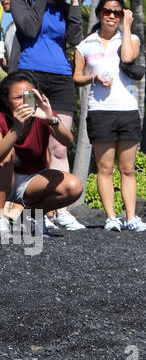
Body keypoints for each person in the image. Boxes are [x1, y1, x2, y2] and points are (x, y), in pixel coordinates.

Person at [9, 0, 86, 232]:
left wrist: (74, 0)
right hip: (30, 76)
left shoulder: (65, 6)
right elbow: (29, 28)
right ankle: (14, 205)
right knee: (25, 137)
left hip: (62, 79)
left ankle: (59, 211)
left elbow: (76, 39)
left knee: (58, 145)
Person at [73, 0, 146, 233]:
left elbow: (127, 57)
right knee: (104, 168)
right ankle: (110, 216)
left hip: (127, 109)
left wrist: (127, 26)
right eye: (107, 11)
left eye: (117, 12)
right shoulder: (85, 45)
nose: (112, 16)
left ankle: (131, 217)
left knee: (127, 169)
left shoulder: (131, 38)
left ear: (123, 14)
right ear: (99, 13)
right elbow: (76, 76)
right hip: (100, 111)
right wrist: (92, 77)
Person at [0, 70, 81, 236]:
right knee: (7, 155)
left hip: (29, 182)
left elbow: (68, 141)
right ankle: (1, 215)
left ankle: (31, 216)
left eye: (28, 96)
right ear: (6, 101)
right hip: (2, 177)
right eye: (17, 98)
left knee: (73, 187)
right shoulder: (1, 117)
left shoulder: (42, 115)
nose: (23, 102)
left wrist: (52, 119)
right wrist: (17, 127)